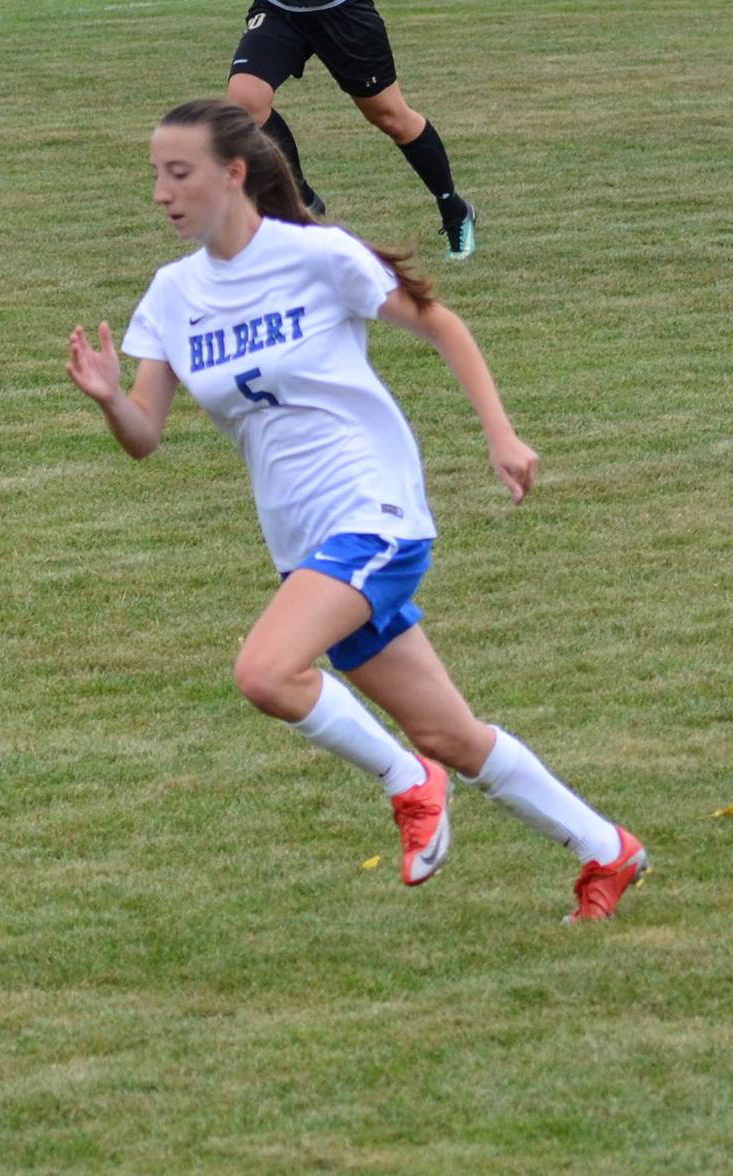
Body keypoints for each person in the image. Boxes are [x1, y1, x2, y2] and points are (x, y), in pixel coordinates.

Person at [65, 98, 644, 921]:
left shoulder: (317, 257)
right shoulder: (171, 295)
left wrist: (501, 436)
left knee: (266, 673)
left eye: (179, 172)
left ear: (234, 174)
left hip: (374, 512)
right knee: (451, 732)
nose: (161, 191)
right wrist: (108, 400)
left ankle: (410, 784)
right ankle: (605, 850)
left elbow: (443, 325)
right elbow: (145, 436)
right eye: (155, 174)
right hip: (305, 544)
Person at [226, 0, 477, 260]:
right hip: (278, 10)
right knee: (245, 102)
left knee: (390, 116)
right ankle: (302, 201)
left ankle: (454, 209)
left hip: (343, 12)